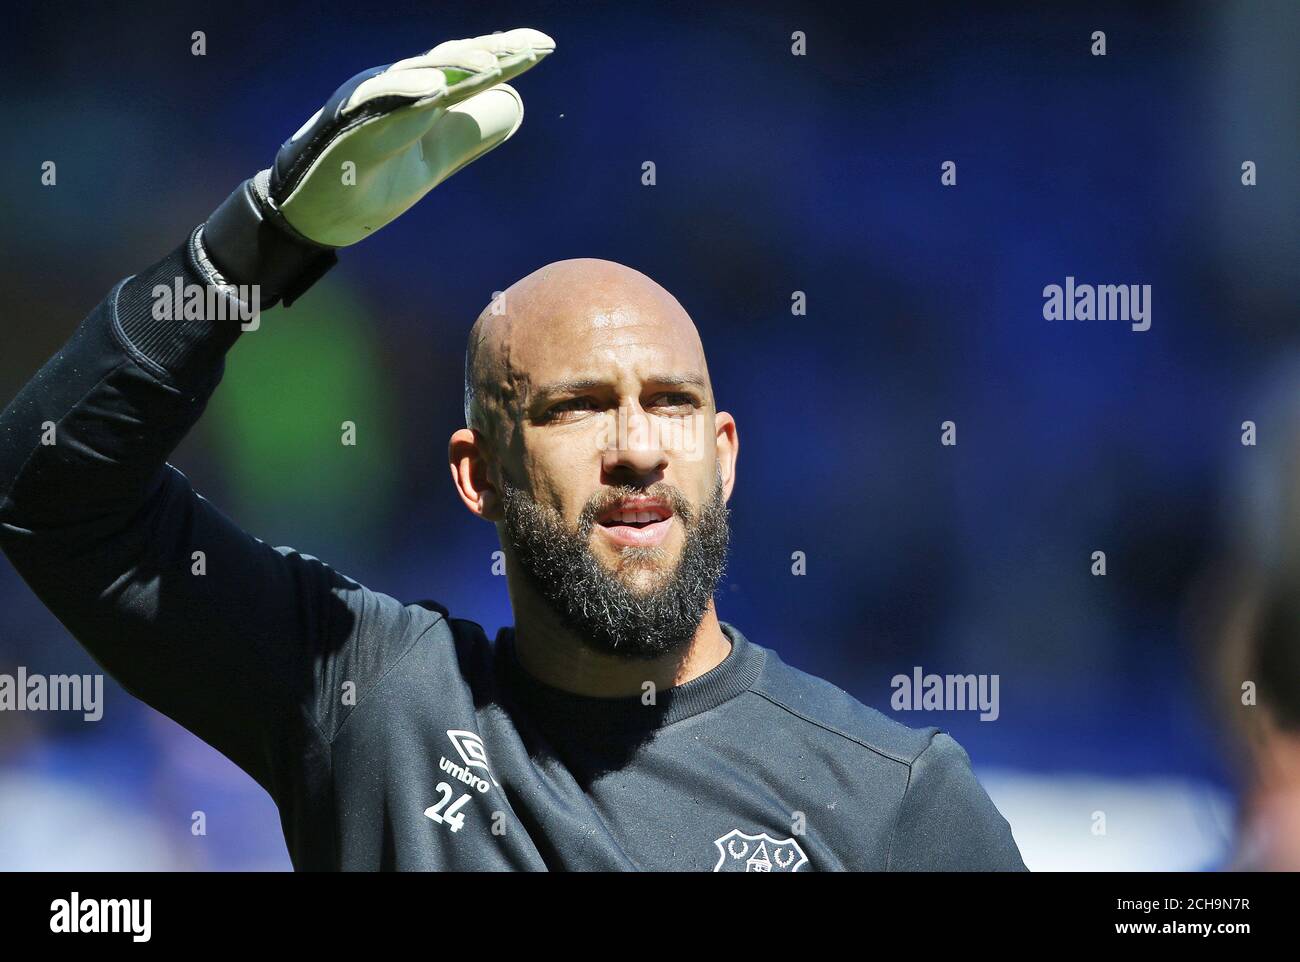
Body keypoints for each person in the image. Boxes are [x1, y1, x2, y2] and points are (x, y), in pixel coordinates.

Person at [0, 29, 1025, 871]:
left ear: (724, 452)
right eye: (577, 406)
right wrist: (258, 241)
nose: (635, 448)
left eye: (670, 405)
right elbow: (50, 491)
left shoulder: (896, 802)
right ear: (476, 473)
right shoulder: (373, 704)